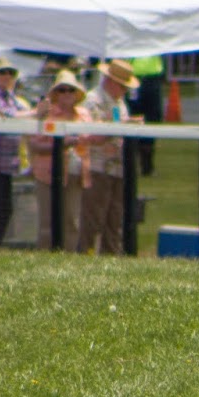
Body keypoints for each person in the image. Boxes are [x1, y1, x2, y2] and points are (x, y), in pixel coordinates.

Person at [78, 59, 140, 255]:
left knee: (114, 221)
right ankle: (84, 257)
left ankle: (110, 258)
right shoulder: (93, 100)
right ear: (110, 81)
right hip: (98, 167)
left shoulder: (119, 103)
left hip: (117, 167)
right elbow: (89, 135)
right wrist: (119, 127)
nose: (123, 91)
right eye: (122, 86)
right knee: (93, 219)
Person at [28, 69, 92, 251]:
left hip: (75, 173)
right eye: (62, 90)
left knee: (71, 221)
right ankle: (44, 260)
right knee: (48, 222)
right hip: (48, 174)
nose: (66, 94)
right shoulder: (47, 114)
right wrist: (60, 145)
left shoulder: (84, 115)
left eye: (70, 90)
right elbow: (35, 145)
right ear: (55, 93)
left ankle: (67, 260)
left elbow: (91, 139)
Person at [0, 55, 33, 246]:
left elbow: (22, 112)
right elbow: (4, 114)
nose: (7, 76)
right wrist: (33, 113)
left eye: (11, 73)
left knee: (4, 208)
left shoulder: (11, 97)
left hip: (8, 163)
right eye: (2, 72)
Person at [125, 54, 166, 175]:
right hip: (134, 77)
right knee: (133, 119)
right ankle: (132, 162)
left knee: (153, 120)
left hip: (152, 78)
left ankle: (147, 164)